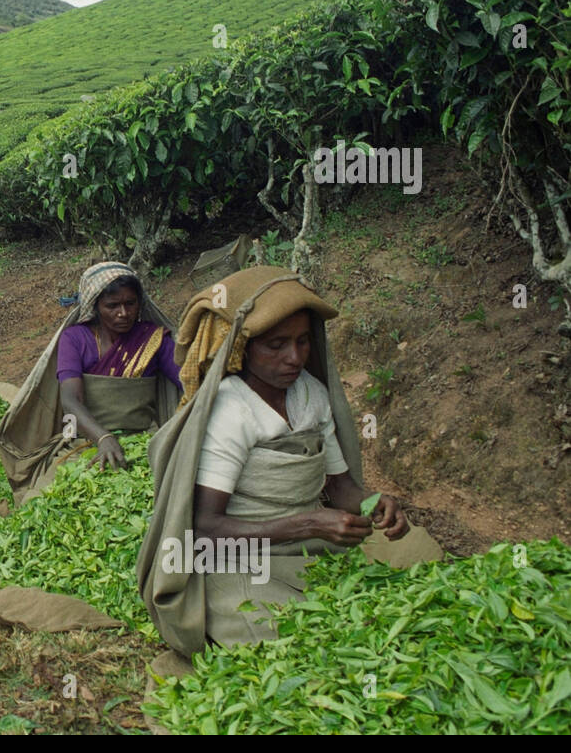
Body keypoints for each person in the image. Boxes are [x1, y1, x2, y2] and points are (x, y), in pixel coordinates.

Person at [136, 266, 416, 656]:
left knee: (377, 616)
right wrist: (307, 523)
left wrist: (374, 503)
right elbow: (202, 529)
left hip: (307, 551)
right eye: (276, 345)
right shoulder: (230, 411)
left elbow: (338, 486)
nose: (294, 357)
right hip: (235, 558)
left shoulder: (312, 396)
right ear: (242, 348)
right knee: (288, 638)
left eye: (303, 342)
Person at [0, 262, 182, 501]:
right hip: (85, 442)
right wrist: (103, 438)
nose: (123, 313)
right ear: (95, 306)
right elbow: (70, 400)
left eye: (130, 304)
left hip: (142, 440)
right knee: (46, 503)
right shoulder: (76, 339)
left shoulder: (154, 339)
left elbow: (187, 380)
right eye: (112, 306)